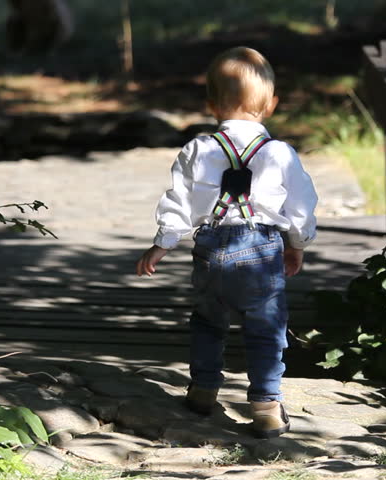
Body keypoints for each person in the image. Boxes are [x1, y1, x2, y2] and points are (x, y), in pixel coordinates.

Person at [135, 47, 318, 439]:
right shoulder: (280, 154)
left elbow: (178, 200)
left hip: (211, 249)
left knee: (207, 321)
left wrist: (162, 244)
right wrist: (297, 243)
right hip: (262, 249)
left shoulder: (198, 150)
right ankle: (267, 406)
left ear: (211, 105)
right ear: (271, 105)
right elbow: (302, 205)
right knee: (266, 327)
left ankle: (202, 390)